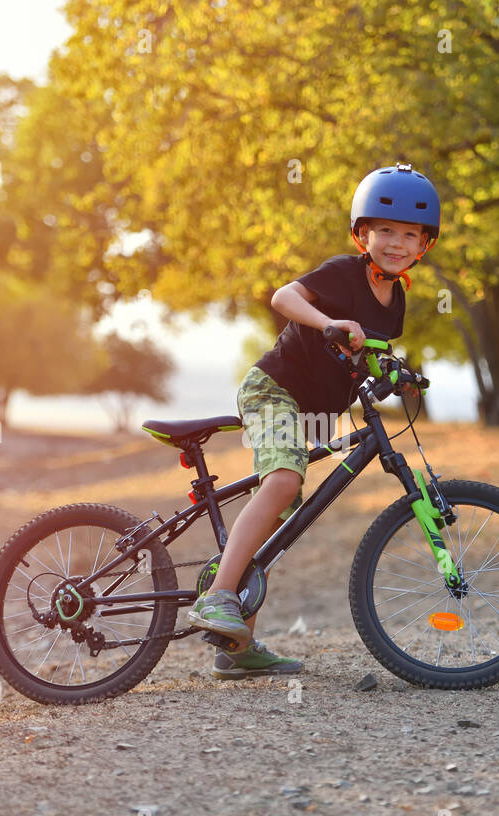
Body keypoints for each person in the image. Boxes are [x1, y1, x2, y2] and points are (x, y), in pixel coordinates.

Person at [187, 163, 442, 679]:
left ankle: (237, 649)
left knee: (283, 515)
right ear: (362, 234)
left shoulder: (397, 304)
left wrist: (394, 371)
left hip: (318, 409)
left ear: (423, 246)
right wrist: (329, 322)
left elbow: (368, 350)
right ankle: (216, 597)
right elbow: (284, 298)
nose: (395, 243)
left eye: (408, 235)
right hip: (274, 390)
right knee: (283, 480)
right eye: (384, 230)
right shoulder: (342, 274)